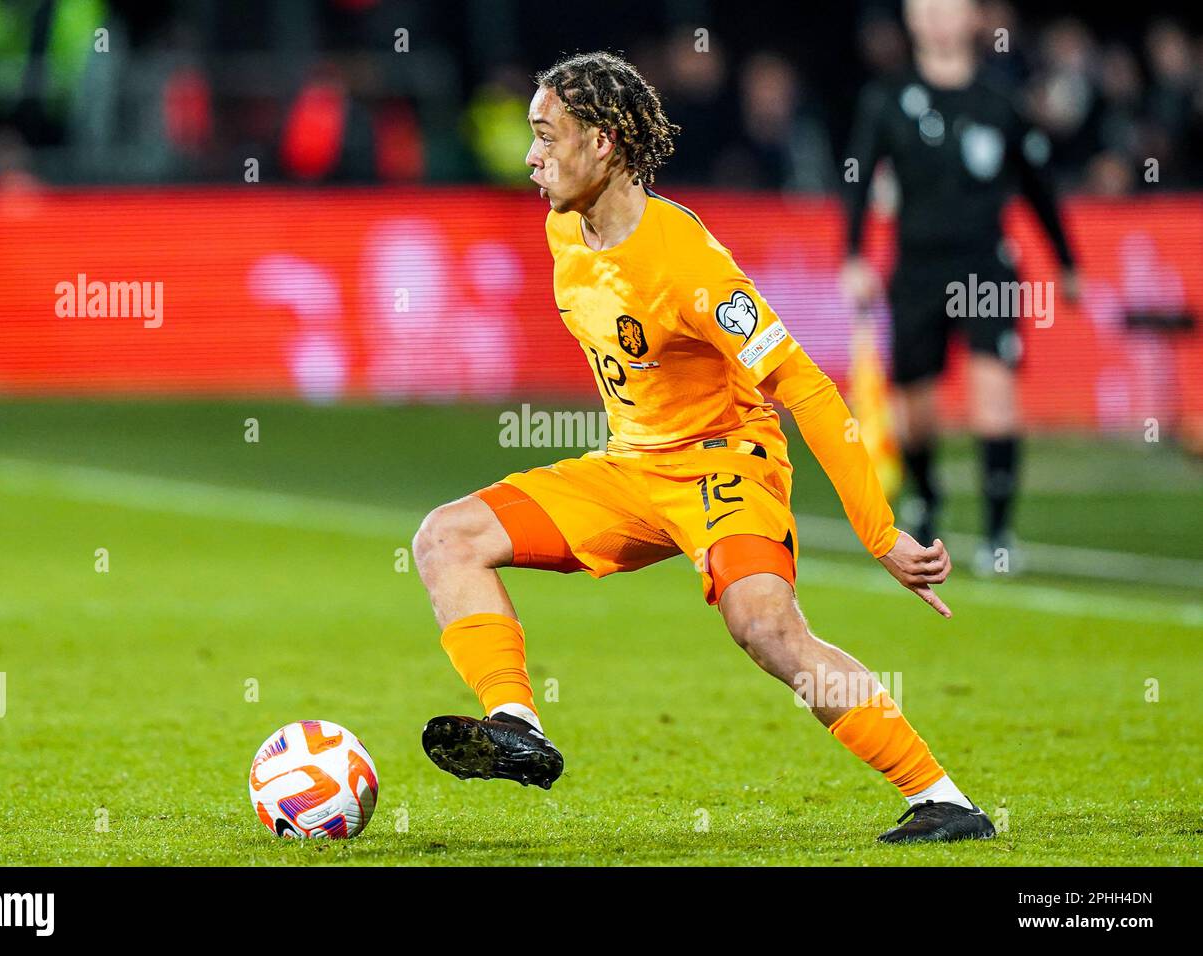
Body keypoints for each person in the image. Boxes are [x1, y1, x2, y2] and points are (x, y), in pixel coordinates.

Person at [413, 51, 994, 843]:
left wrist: (879, 532)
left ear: (604, 143)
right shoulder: (563, 228)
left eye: (546, 137)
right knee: (446, 537)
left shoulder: (690, 266)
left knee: (764, 626)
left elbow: (807, 388)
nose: (530, 157)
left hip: (725, 462)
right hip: (632, 466)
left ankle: (945, 801)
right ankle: (517, 726)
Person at [841, 0, 1080, 573]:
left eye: (952, 8)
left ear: (974, 19)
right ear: (912, 19)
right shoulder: (886, 98)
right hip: (917, 267)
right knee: (914, 408)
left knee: (994, 394)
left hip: (986, 267)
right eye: (928, 8)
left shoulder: (1001, 101)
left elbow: (1039, 186)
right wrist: (852, 256)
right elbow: (856, 176)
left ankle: (999, 536)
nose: (940, 19)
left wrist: (1068, 262)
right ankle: (926, 500)